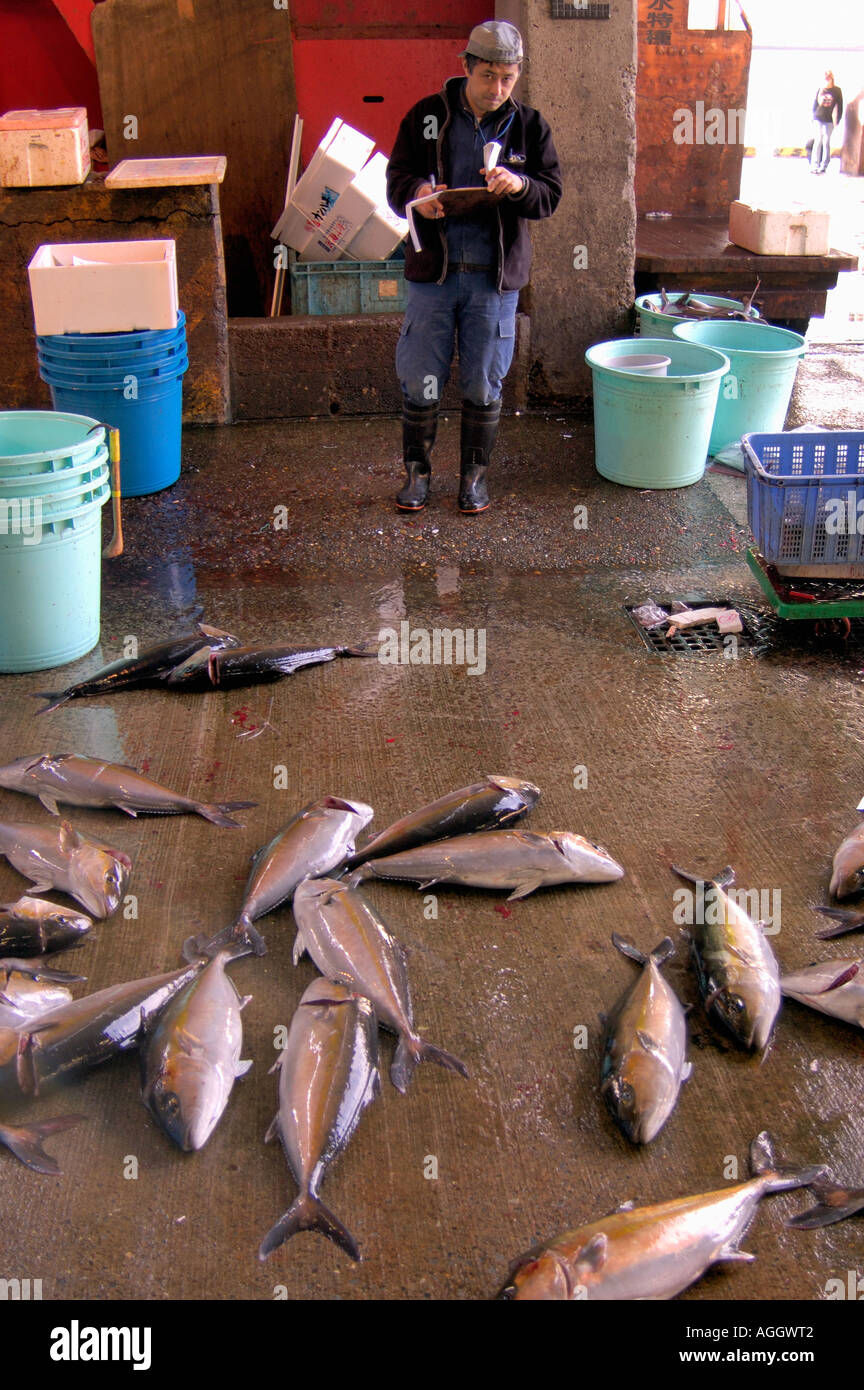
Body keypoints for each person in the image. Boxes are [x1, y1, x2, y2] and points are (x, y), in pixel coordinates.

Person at [385, 20, 562, 513]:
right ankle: (417, 476)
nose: (497, 89)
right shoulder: (427, 115)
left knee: (484, 381)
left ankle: (473, 479)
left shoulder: (531, 125)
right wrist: (418, 194)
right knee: (421, 376)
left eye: (508, 78)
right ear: (465, 68)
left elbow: (550, 194)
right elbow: (396, 178)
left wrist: (521, 186)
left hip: (493, 280)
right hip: (435, 277)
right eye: (488, 76)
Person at [810, 69, 843, 174]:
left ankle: (824, 165)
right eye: (825, 78)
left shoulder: (837, 90)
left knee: (826, 141)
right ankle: (814, 166)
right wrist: (813, 116)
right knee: (818, 141)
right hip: (818, 118)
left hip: (829, 120)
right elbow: (815, 104)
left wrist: (838, 119)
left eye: (828, 78)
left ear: (832, 78)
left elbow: (840, 106)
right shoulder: (820, 89)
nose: (826, 80)